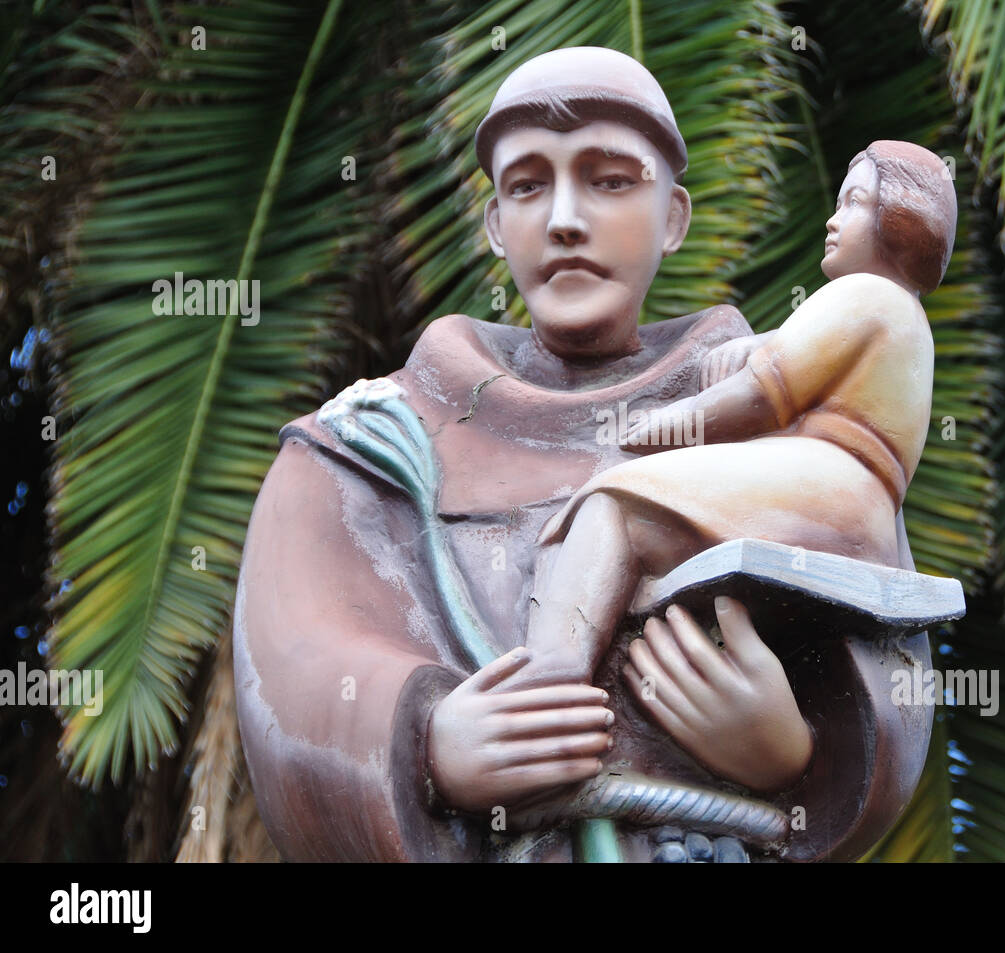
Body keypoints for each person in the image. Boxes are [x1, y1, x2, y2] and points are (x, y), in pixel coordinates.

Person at [233, 47, 931, 862]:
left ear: (673, 216)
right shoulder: (368, 441)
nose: (566, 217)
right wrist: (426, 736)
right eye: (528, 185)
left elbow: (885, 623)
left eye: (610, 180)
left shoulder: (782, 434)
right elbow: (293, 649)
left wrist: (796, 751)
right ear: (496, 224)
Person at [518, 143, 957, 720]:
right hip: (851, 508)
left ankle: (548, 687)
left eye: (854, 202)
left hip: (826, 486)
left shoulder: (865, 294)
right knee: (642, 525)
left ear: (898, 221)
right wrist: (757, 349)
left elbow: (760, 397)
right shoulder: (904, 317)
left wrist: (665, 423)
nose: (832, 219)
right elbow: (797, 363)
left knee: (612, 503)